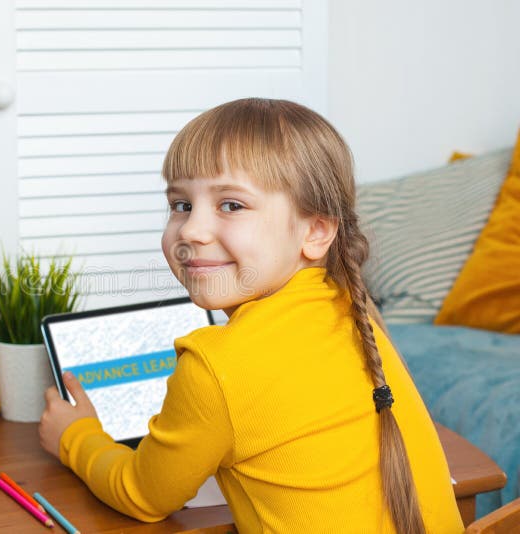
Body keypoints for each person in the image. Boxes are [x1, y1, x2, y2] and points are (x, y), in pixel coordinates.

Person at [38, 98, 464, 533]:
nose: (191, 230)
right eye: (181, 205)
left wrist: (75, 435)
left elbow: (141, 494)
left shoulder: (217, 367)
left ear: (316, 231)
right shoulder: (352, 312)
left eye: (231, 205)